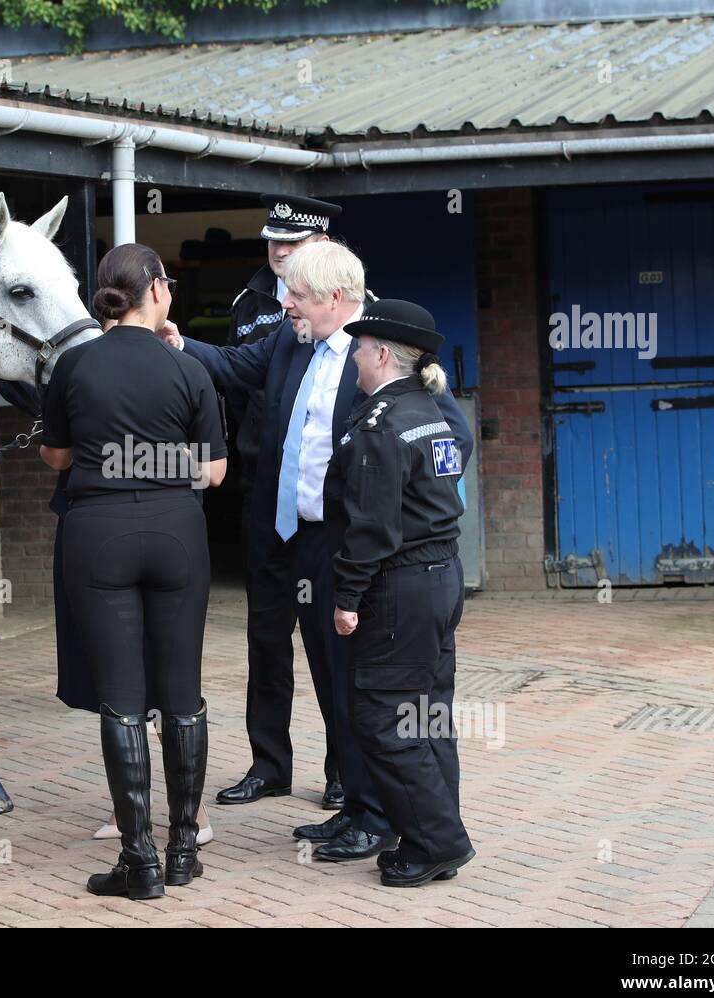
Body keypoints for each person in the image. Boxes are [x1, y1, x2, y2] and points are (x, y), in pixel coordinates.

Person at [159, 241, 472, 862]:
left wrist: (404, 514)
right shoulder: (290, 342)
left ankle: (378, 816)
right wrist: (175, 343)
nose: (285, 304)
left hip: (357, 547)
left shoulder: (383, 354)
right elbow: (232, 366)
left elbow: (450, 437)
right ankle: (355, 804)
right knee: (334, 682)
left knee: (368, 687)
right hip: (296, 541)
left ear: (336, 298)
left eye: (297, 295)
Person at [40, 243, 227, 900]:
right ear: (154, 288)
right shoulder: (187, 371)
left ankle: (139, 857)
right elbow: (215, 471)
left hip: (98, 534)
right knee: (182, 691)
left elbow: (58, 456)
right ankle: (183, 847)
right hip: (177, 531)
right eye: (168, 282)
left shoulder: (74, 364)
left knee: (122, 697)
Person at [326, 300, 476, 887]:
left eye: (359, 350)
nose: (355, 361)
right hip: (440, 580)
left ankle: (437, 842)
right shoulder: (430, 412)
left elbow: (372, 529)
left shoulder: (382, 424)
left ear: (383, 354)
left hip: (400, 588)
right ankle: (431, 836)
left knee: (386, 719)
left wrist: (345, 597)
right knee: (428, 715)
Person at [224, 194, 347, 811]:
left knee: (330, 645)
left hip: (323, 515)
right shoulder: (253, 304)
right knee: (266, 638)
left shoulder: (357, 324)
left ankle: (342, 771)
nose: (277, 253)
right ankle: (268, 764)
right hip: (266, 497)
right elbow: (233, 372)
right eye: (271, 242)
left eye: (290, 244)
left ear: (323, 249)